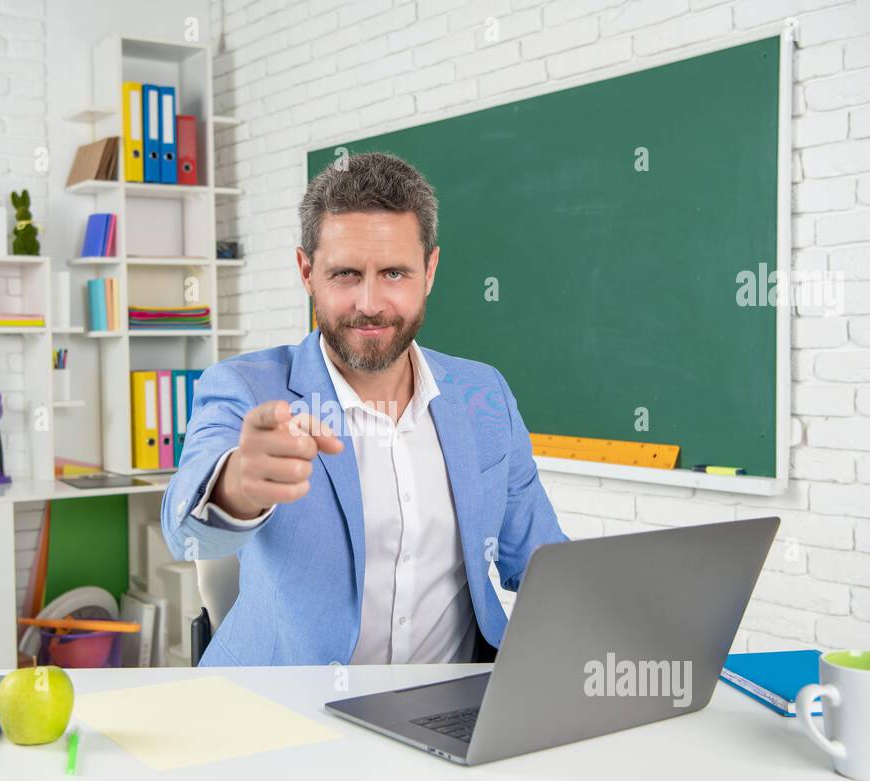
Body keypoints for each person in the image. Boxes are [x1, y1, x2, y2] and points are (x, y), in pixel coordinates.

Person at [161, 151, 569, 668]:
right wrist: (237, 484)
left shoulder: (483, 394)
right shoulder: (245, 387)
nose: (371, 303)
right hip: (291, 711)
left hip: (453, 706)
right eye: (346, 274)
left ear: (430, 271)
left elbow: (541, 560)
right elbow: (185, 530)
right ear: (307, 271)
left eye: (395, 273)